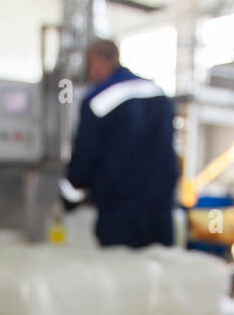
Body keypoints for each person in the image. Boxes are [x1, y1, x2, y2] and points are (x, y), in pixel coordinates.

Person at [60, 39, 178, 248]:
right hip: (159, 211)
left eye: (90, 67)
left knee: (122, 276)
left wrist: (69, 199)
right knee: (158, 274)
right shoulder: (159, 94)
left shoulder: (98, 100)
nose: (91, 74)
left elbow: (83, 157)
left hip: (120, 212)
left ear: (97, 61)